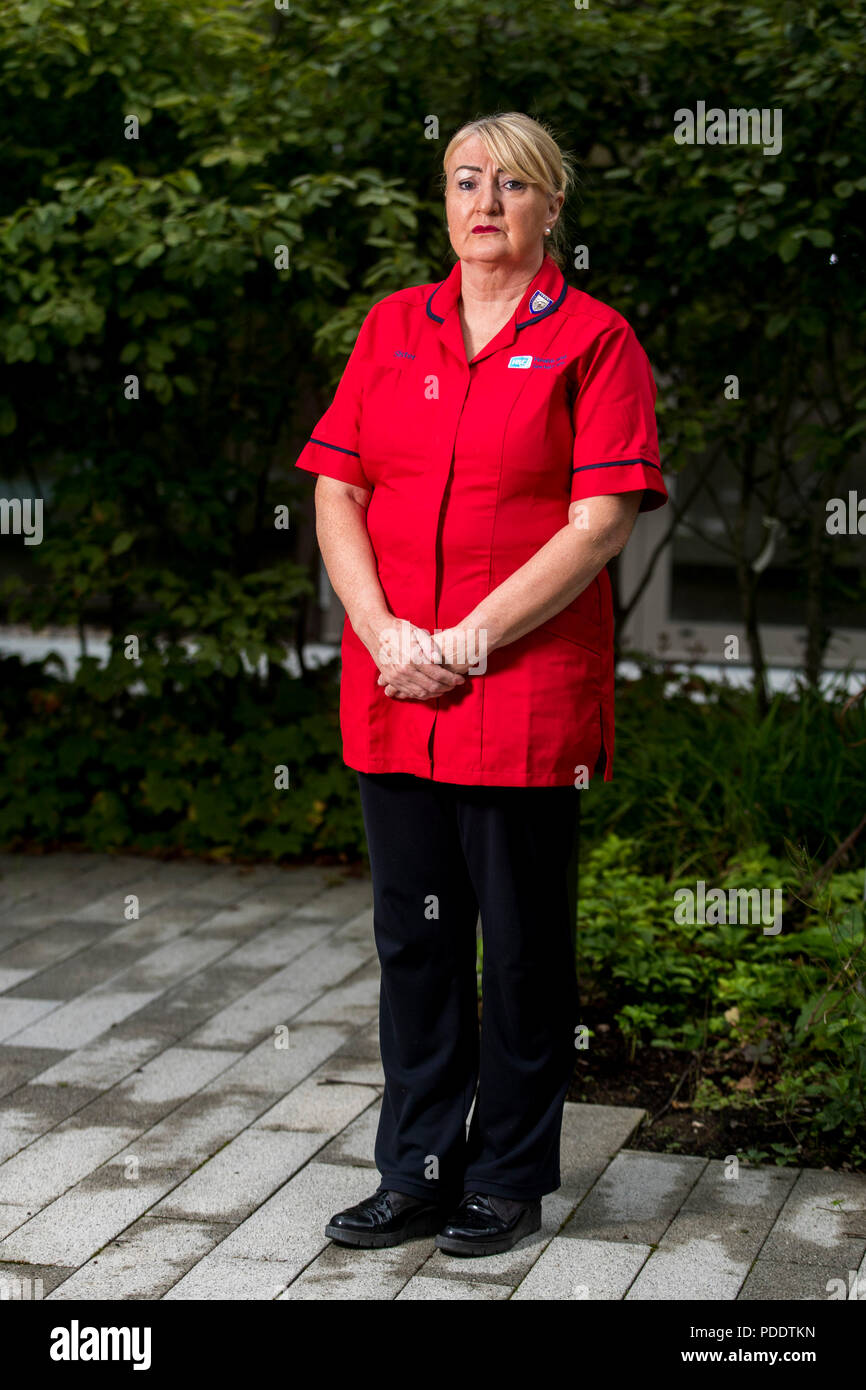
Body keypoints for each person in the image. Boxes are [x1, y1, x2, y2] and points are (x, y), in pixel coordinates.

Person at [295, 111, 668, 1257]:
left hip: (520, 690)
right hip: (392, 679)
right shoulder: (389, 327)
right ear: (442, 199)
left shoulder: (595, 339)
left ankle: (504, 1174)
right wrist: (383, 631)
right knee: (412, 940)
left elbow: (597, 525)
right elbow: (337, 493)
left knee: (515, 945)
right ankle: (412, 1166)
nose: (485, 203)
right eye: (464, 181)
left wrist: (460, 639)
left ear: (553, 206)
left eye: (511, 185)